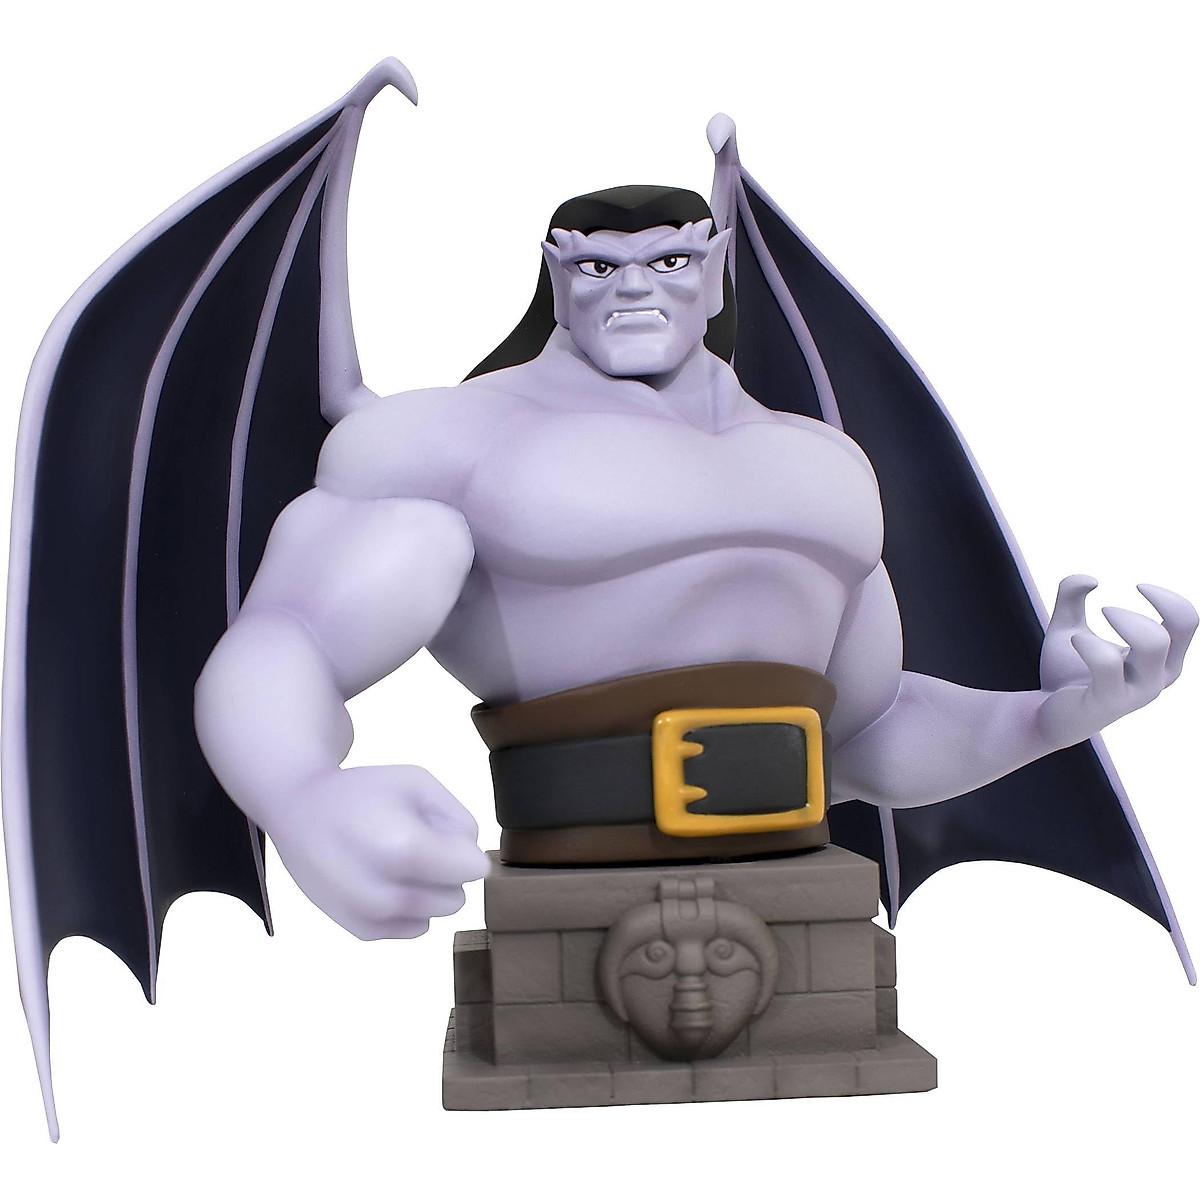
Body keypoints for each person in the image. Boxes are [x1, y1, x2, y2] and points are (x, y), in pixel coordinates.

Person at [194, 185, 1196, 944]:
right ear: (555, 275)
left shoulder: (821, 464)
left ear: (716, 269)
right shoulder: (451, 439)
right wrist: (297, 792)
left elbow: (866, 739)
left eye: (669, 260)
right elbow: (290, 638)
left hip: (803, 894)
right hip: (574, 896)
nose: (634, 287)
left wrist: (1046, 719)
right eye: (598, 267)